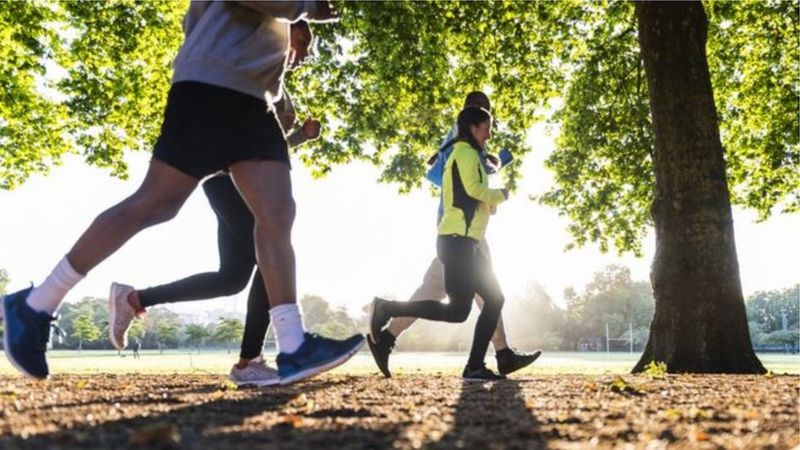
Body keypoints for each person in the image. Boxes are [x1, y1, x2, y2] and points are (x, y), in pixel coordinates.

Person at [2, 1, 363, 384]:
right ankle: (37, 303)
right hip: (214, 84)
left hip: (256, 97)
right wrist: (305, 6)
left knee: (277, 211)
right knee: (155, 204)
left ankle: (293, 345)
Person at [109, 89, 322, 388]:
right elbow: (241, 139)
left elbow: (262, 147)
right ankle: (249, 361)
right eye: (301, 41)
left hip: (234, 182)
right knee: (269, 260)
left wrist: (299, 136)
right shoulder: (256, 73)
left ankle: (134, 299)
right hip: (228, 180)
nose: (305, 53)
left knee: (231, 278)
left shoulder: (276, 83)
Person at [367, 92, 540, 378]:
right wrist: (494, 189)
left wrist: (489, 176)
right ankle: (498, 355)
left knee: (469, 293)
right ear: (474, 119)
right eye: (486, 122)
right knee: (476, 298)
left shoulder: (468, 145)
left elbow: (469, 179)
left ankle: (389, 335)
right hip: (459, 230)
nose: (489, 130)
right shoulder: (461, 143)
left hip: (463, 229)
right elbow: (456, 179)